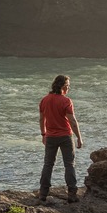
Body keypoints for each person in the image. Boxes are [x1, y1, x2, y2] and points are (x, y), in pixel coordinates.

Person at [38, 74, 83, 203]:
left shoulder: (44, 100)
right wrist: (79, 137)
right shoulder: (66, 101)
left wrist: (43, 134)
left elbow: (41, 119)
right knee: (69, 164)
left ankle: (43, 193)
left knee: (48, 164)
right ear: (62, 86)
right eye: (67, 86)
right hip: (65, 136)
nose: (69, 88)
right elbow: (72, 121)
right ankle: (72, 194)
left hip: (50, 136)